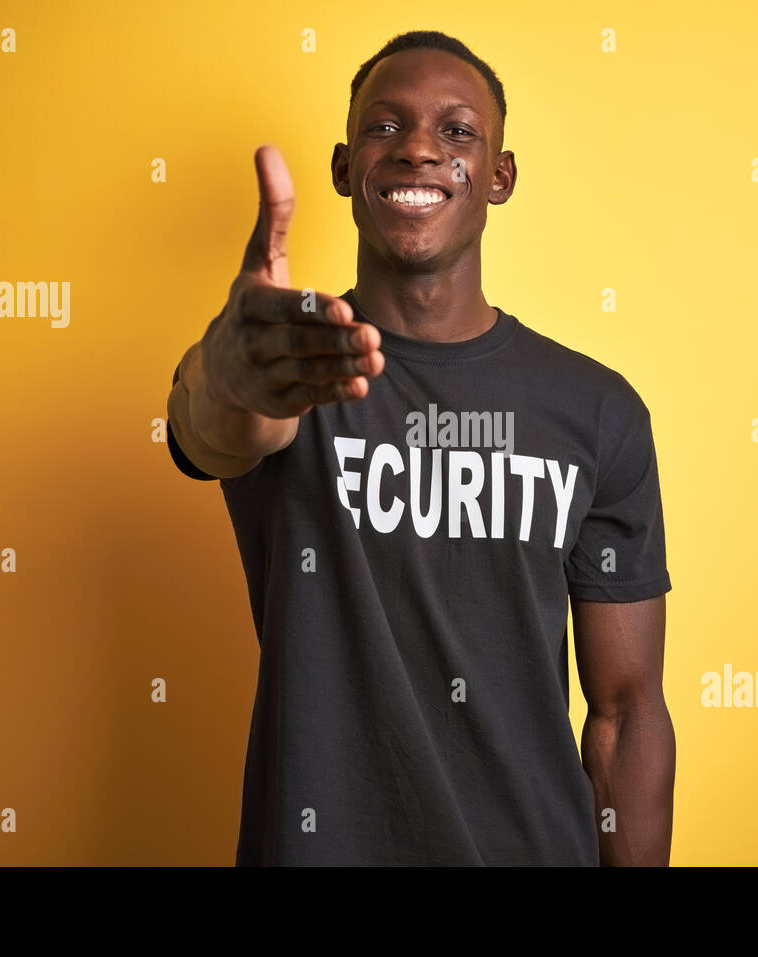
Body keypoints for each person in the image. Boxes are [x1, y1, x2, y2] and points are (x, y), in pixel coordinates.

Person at [165, 30, 675, 866]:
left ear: (500, 176)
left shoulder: (596, 410)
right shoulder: (289, 363)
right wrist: (227, 374)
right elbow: (214, 429)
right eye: (385, 127)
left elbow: (626, 712)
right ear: (342, 167)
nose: (417, 149)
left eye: (457, 131)